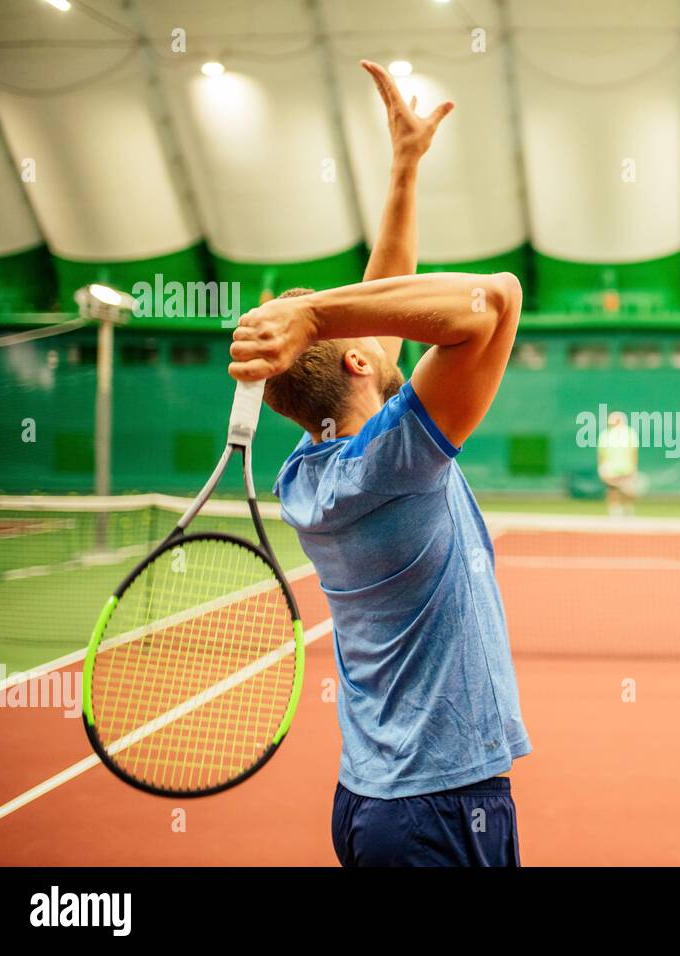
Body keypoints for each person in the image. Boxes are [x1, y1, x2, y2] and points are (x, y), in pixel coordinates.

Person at [227, 62, 529, 866]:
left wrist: (404, 168)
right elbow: (494, 300)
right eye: (358, 334)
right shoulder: (394, 457)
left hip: (373, 803)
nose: (373, 321)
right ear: (361, 364)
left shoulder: (311, 469)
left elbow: (383, 296)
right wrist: (317, 313)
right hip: (440, 807)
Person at [597, 410, 639, 516]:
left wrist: (634, 465)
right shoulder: (605, 434)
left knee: (628, 489)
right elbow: (601, 452)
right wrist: (601, 466)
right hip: (610, 466)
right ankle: (615, 510)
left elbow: (634, 451)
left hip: (626, 465)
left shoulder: (629, 433)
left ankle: (628, 509)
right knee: (612, 488)